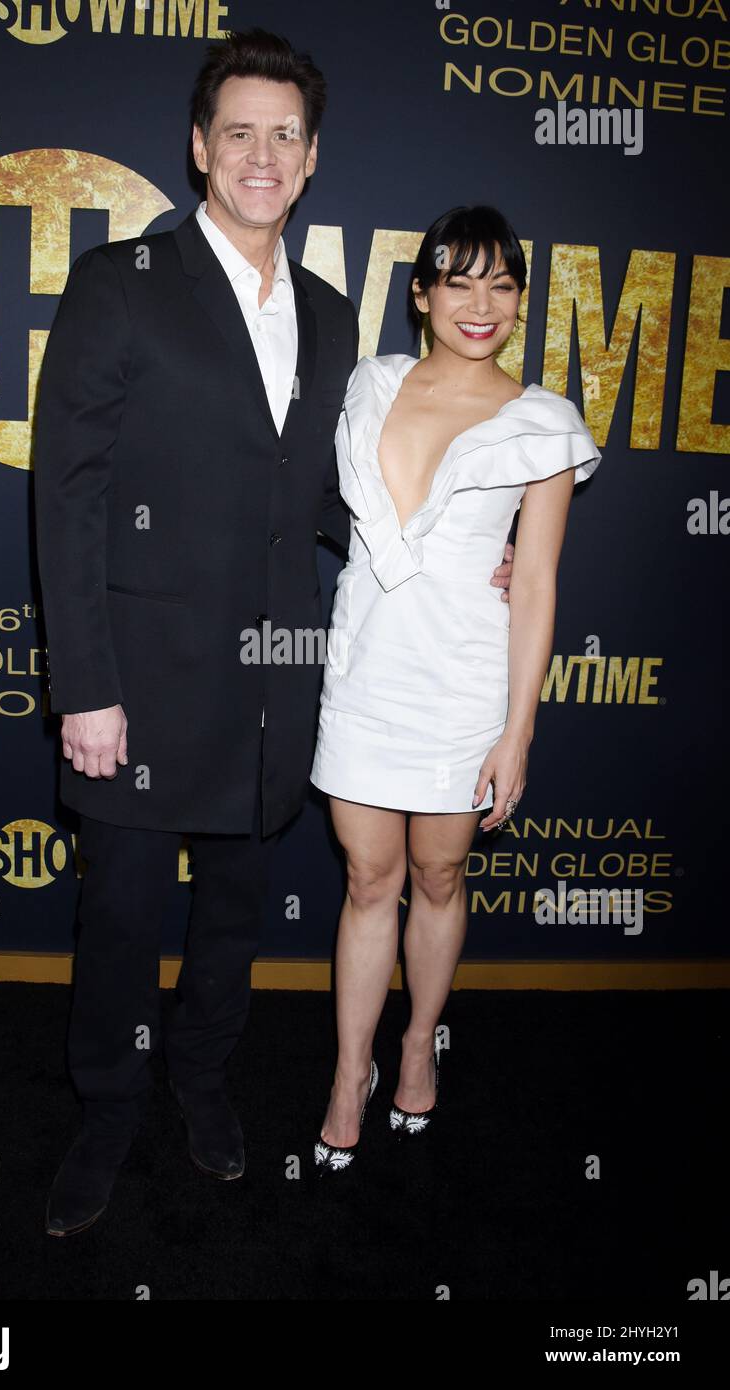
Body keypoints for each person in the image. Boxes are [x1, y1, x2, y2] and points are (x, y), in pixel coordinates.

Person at [34, 30, 513, 1236]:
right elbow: (69, 493)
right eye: (238, 132)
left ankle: (202, 1082)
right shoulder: (119, 282)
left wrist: (458, 551)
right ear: (200, 149)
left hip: (274, 679)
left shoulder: (328, 315)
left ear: (310, 160)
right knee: (121, 917)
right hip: (136, 684)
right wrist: (83, 685)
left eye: (284, 135)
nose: (262, 154)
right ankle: (106, 1114)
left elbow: (321, 496)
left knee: (235, 915)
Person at [309, 205, 601, 1172]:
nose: (482, 305)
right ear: (422, 294)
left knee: (438, 877)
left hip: (462, 684)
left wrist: (519, 732)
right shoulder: (371, 383)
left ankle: (415, 1044)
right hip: (367, 669)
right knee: (368, 881)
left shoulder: (543, 423)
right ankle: (349, 1071)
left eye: (502, 285)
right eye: (460, 282)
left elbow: (538, 583)